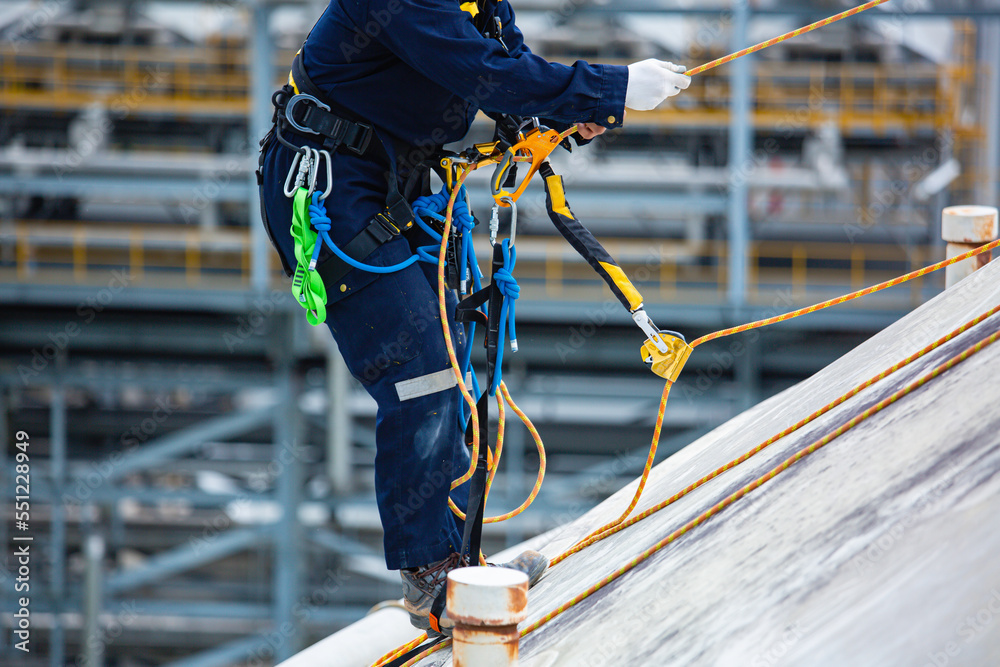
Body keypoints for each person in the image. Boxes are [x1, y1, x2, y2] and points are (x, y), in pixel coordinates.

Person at [257, 0, 690, 636]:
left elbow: (505, 61)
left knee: (452, 364)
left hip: (392, 175)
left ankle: (458, 559)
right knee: (424, 371)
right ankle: (430, 574)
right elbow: (481, 72)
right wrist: (611, 86)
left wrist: (564, 113)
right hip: (332, 186)